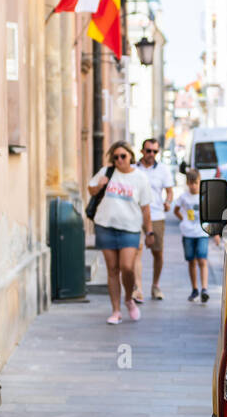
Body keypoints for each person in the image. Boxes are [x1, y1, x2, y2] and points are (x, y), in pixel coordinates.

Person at [88, 141, 152, 325]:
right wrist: (99, 185)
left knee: (127, 267)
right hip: (105, 226)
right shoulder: (106, 172)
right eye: (115, 157)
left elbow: (146, 208)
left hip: (130, 229)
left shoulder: (140, 178)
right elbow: (91, 190)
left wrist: (149, 232)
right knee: (112, 270)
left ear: (130, 156)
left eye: (123, 156)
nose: (119, 160)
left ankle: (129, 299)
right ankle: (116, 310)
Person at [132, 138, 174, 302]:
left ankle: (155, 285)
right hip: (135, 215)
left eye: (155, 151)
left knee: (158, 252)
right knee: (136, 252)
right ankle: (138, 288)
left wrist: (168, 202)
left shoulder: (163, 170)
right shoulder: (133, 169)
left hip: (156, 215)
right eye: (148, 151)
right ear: (142, 151)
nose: (151, 154)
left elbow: (169, 191)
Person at [173, 170, 213, 303]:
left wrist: (214, 232)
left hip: (202, 232)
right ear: (187, 183)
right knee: (191, 261)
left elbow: (210, 212)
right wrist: (183, 220)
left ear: (200, 181)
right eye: (191, 183)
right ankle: (195, 288)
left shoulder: (204, 196)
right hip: (188, 232)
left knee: (202, 260)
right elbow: (176, 210)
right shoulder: (183, 197)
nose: (193, 186)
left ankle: (205, 289)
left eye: (195, 183)